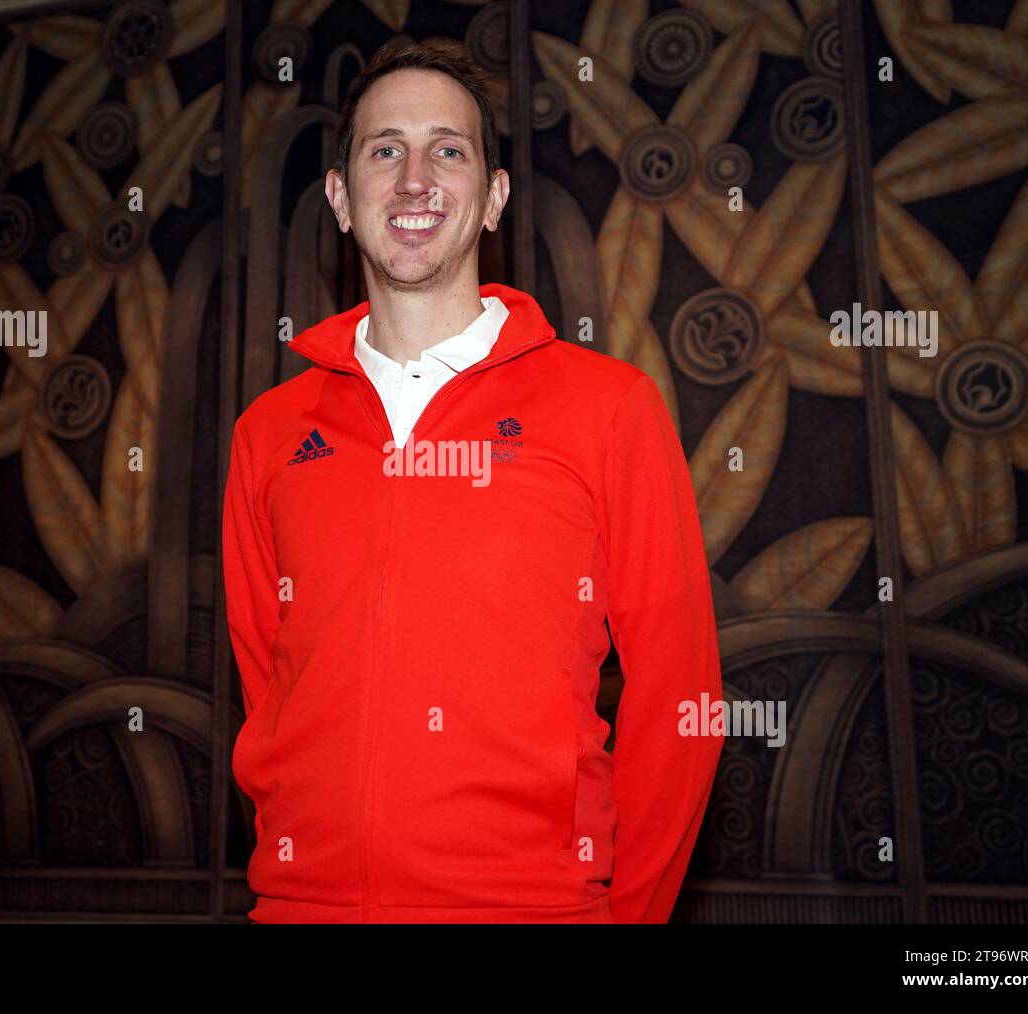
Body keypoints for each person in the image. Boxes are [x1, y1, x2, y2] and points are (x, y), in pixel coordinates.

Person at [221, 40, 723, 924]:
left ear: (492, 199)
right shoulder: (267, 435)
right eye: (385, 151)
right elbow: (271, 684)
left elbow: (683, 696)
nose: (415, 179)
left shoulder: (610, 408)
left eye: (448, 150)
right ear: (341, 199)